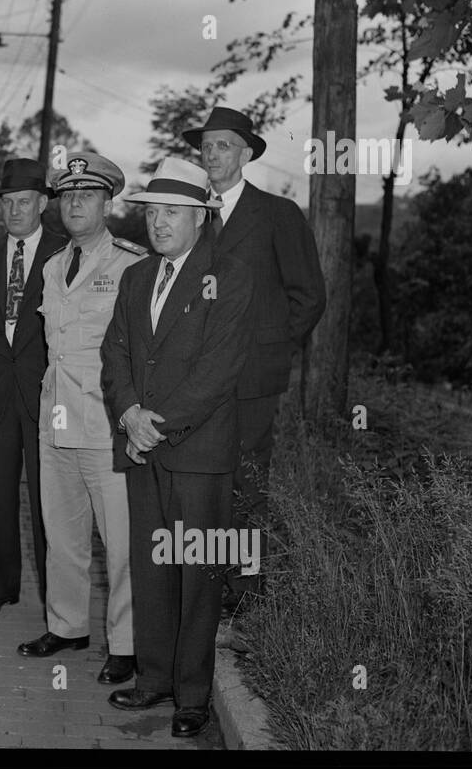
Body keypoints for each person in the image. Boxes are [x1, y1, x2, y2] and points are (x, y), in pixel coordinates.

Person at [100, 157, 253, 737]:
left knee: (197, 572)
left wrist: (155, 423)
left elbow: (219, 371)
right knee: (152, 568)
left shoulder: (229, 275)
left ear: (200, 217)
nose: (160, 223)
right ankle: (153, 677)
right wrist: (128, 412)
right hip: (144, 446)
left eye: (173, 213)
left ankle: (192, 695)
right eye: (153, 212)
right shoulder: (138, 276)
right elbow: (114, 352)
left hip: (196, 451)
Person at [16, 153, 147, 685]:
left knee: (120, 544)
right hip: (57, 421)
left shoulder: (131, 264)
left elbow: (141, 349)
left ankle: (127, 643)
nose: (74, 204)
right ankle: (67, 625)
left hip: (106, 423)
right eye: (68, 195)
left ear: (107, 203)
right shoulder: (50, 266)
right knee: (63, 536)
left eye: (87, 195)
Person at [186, 107, 325, 599]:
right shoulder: (188, 215)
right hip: (194, 379)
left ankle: (245, 592)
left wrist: (268, 347)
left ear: (246, 154)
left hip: (252, 379)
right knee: (202, 481)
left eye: (223, 145)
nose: (212, 153)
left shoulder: (277, 214)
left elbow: (309, 295)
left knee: (246, 482)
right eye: (206, 146)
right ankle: (203, 586)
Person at [0, 158, 63, 614]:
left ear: (42, 204)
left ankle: (54, 595)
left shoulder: (64, 255)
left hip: (46, 395)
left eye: (24, 202)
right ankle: (1, 588)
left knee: (49, 502)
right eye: (7, 203)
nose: (14, 211)